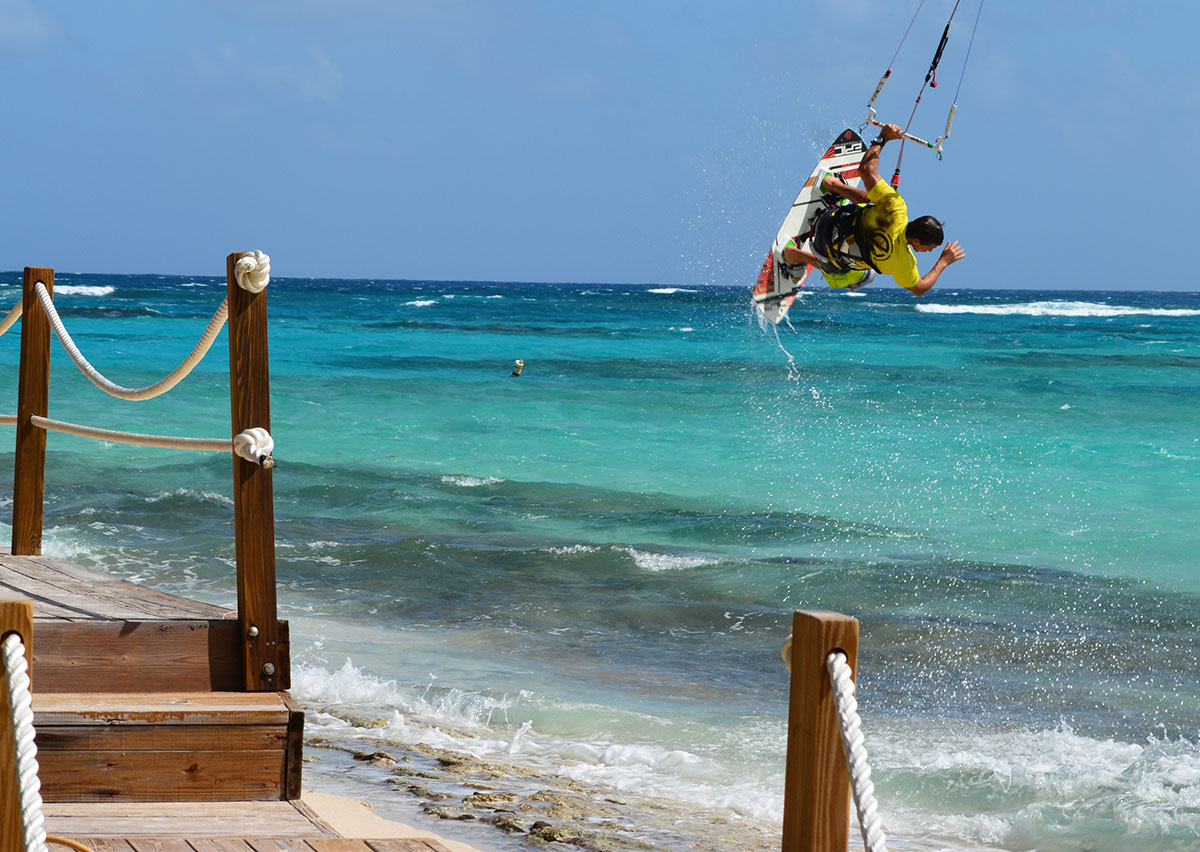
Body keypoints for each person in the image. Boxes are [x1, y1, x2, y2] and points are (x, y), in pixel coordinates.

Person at [781, 123, 965, 296]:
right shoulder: (904, 264)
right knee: (856, 276)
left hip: (830, 220)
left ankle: (831, 184)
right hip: (825, 248)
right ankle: (794, 255)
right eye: (930, 248)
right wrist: (943, 262)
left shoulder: (896, 209)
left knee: (876, 200)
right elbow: (919, 289)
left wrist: (882, 138)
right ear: (916, 240)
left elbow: (866, 170)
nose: (930, 251)